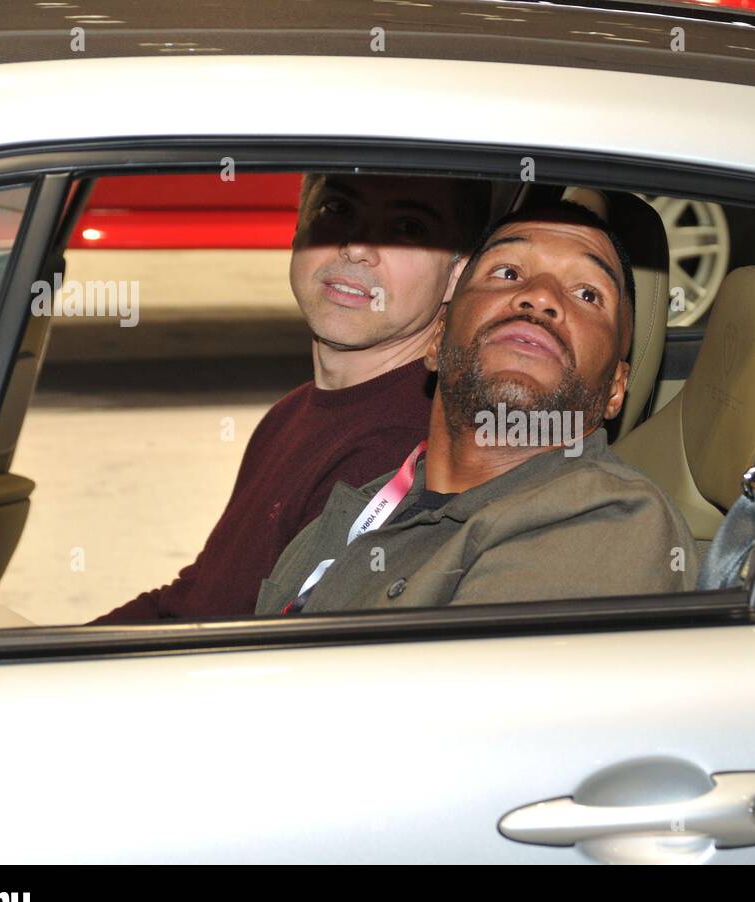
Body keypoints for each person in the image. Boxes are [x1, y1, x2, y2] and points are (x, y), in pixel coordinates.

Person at [256, 201, 697, 615]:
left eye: (587, 294)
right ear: (436, 340)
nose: (540, 297)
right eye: (507, 272)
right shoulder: (370, 502)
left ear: (616, 388)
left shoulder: (609, 521)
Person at [94, 173, 491, 623]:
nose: (357, 247)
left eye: (408, 228)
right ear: (298, 229)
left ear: (458, 274)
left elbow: (281, 653)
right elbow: (198, 601)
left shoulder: (406, 449)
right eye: (338, 210)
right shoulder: (291, 412)